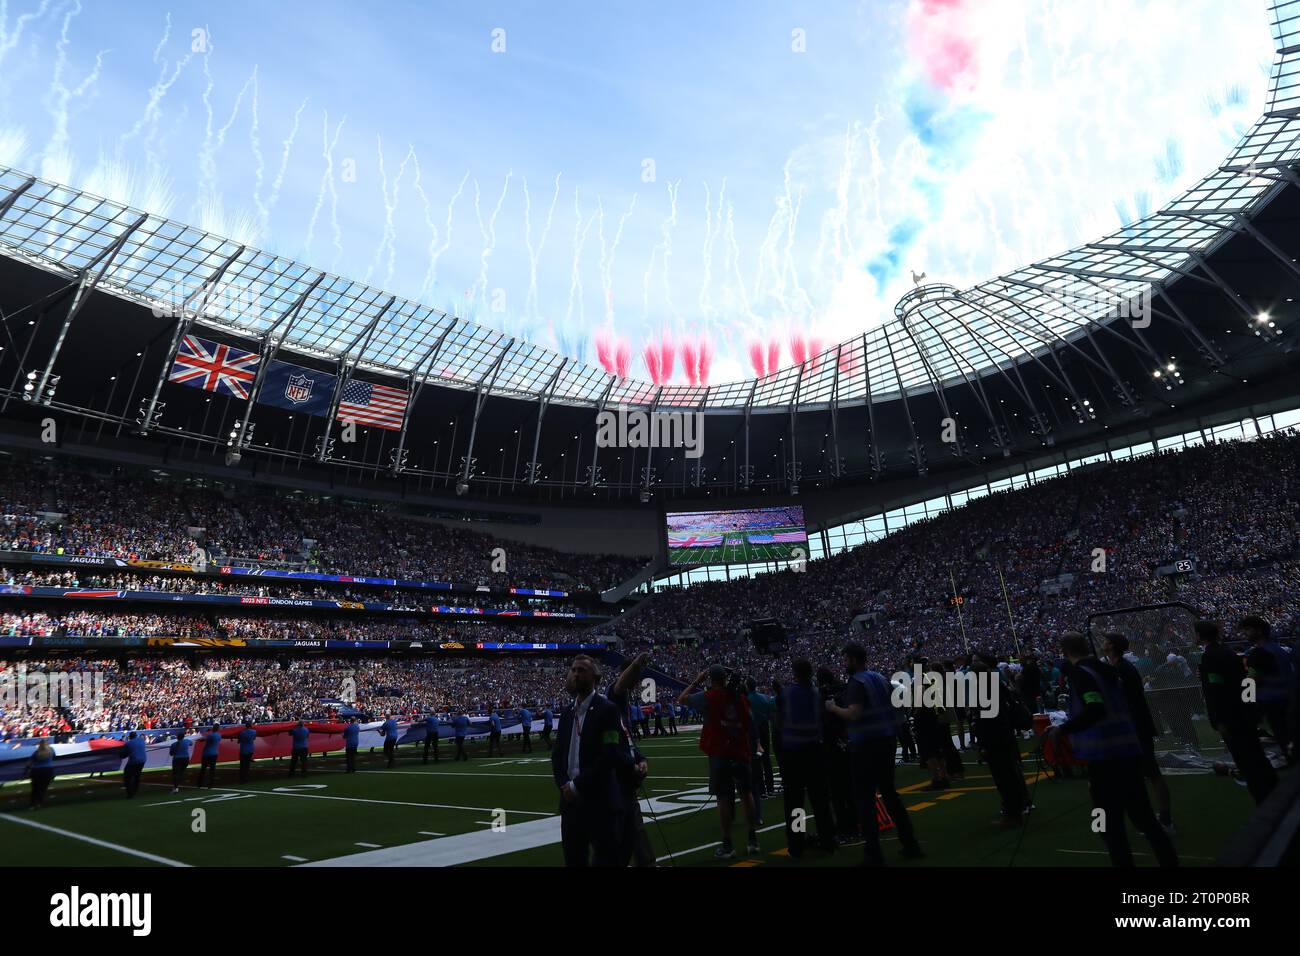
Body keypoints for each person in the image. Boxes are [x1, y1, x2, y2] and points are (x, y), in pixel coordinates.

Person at [1050, 632, 1178, 867]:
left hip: (1104, 757)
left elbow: (1095, 707)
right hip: (1127, 750)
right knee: (1144, 818)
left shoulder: (1083, 674)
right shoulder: (1108, 669)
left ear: (1065, 652)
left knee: (1109, 826)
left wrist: (1063, 729)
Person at [826, 643, 923, 866]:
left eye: (845, 659)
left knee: (864, 800)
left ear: (852, 659)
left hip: (865, 745)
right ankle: (910, 843)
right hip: (886, 741)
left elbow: (854, 714)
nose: (844, 663)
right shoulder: (880, 678)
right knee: (890, 794)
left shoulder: (857, 682)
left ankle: (873, 853)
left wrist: (832, 708)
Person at [679, 665, 761, 859]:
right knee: (746, 793)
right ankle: (752, 839)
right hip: (740, 750)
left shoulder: (709, 697)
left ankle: (727, 844)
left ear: (711, 680)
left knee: (723, 798)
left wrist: (697, 681)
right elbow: (749, 724)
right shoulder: (740, 698)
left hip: (719, 752)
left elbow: (682, 699)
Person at [552, 654, 626, 867]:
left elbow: (611, 753)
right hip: (571, 803)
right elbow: (557, 755)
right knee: (574, 860)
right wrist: (563, 785)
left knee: (606, 858)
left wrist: (577, 785)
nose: (576, 674)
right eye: (573, 669)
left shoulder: (608, 710)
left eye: (582, 670)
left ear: (596, 678)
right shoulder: (566, 713)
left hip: (599, 801)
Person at [1196, 620, 1277, 803]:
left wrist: (1219, 719)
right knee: (1257, 756)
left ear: (1199, 636)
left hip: (1232, 717)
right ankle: (1274, 792)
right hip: (1243, 713)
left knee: (1247, 761)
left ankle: (1264, 800)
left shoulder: (1210, 656)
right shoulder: (1227, 651)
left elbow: (1217, 688)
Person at [1102, 634, 1173, 833]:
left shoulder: (1122, 669)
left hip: (1134, 728)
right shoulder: (1121, 668)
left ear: (1112, 646)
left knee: (1150, 773)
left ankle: (1164, 820)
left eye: (1106, 641)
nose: (1103, 643)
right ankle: (1155, 819)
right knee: (1144, 774)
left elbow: (1125, 702)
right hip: (1134, 727)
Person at [775, 659, 837, 857]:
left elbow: (779, 710)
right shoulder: (818, 693)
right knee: (820, 801)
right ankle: (828, 840)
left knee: (795, 804)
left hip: (793, 755)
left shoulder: (787, 692)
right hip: (815, 752)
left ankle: (796, 844)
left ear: (794, 673)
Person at [970, 658, 1030, 829]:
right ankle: (1020, 806)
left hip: (995, 738)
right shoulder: (998, 685)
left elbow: (985, 721)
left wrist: (982, 744)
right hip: (1006, 734)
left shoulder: (984, 691)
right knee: (1011, 773)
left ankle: (1013, 813)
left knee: (1003, 778)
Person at [608, 652, 655, 867]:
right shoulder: (614, 695)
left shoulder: (623, 702)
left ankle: (645, 863)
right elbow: (619, 686)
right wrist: (636, 665)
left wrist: (640, 757)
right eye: (635, 678)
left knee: (633, 826)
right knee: (625, 828)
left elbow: (626, 736)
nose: (637, 682)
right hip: (617, 775)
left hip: (626, 771)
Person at [1241, 615, 1295, 762]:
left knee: (1283, 738)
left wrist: (1246, 702)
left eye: (1247, 630)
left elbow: (1251, 681)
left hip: (1273, 702)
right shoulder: (1278, 649)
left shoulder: (1259, 652)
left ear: (1258, 630)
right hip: (1288, 699)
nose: (1244, 634)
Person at [818, 666, 858, 842]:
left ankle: (844, 827)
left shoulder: (823, 696)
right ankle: (856, 824)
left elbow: (822, 721)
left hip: (832, 746)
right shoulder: (844, 689)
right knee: (851, 787)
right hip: (849, 741)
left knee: (837, 792)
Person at [747, 678, 777, 797]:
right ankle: (770, 788)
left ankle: (761, 790)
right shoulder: (764, 697)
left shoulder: (747, 699)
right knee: (766, 759)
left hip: (754, 732)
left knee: (756, 761)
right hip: (764, 729)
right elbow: (771, 714)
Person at [27, 737, 55, 808]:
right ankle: (40, 802)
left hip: (36, 771)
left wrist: (26, 771)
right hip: (48, 771)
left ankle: (32, 804)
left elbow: (29, 763)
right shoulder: (51, 751)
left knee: (35, 788)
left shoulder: (36, 752)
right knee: (43, 788)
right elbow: (54, 757)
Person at [195, 724, 222, 789]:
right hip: (214, 753)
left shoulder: (211, 735)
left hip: (207, 754)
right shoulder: (219, 735)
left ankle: (200, 784)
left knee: (203, 769)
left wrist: (199, 738)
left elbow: (203, 740)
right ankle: (210, 784)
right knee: (212, 770)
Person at [122, 730, 147, 798]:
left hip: (134, 761)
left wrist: (118, 755)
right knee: (137, 776)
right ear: (136, 736)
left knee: (127, 777)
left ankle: (130, 793)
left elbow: (124, 755)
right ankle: (135, 791)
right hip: (142, 760)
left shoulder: (128, 743)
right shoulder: (142, 741)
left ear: (130, 737)